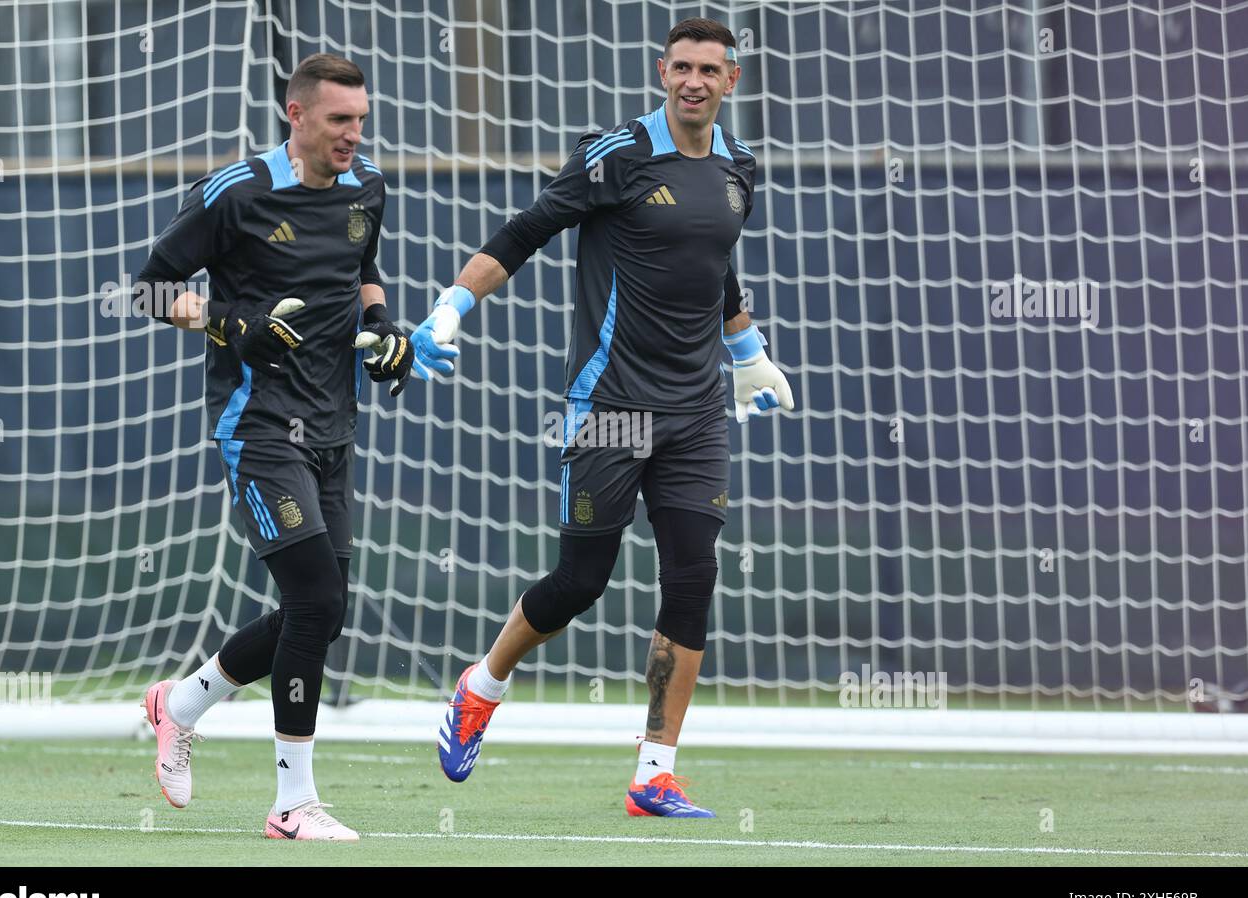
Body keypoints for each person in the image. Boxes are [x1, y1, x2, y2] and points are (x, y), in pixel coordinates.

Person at [417, 18, 795, 816]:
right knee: (581, 581)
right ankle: (482, 686)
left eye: (709, 70)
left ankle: (653, 772)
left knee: (693, 578)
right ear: (663, 72)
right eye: (681, 67)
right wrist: (453, 305)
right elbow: (526, 231)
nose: (693, 81)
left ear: (733, 81)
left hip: (697, 414)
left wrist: (749, 352)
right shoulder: (616, 154)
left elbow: (714, 267)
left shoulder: (740, 169)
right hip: (609, 408)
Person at [134, 53, 419, 841]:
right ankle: (293, 803)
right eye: (339, 121)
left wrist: (385, 328)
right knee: (318, 601)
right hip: (257, 426)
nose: (354, 135)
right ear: (295, 115)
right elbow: (149, 289)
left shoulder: (367, 187)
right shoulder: (237, 194)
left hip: (335, 424)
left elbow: (363, 271)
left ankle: (180, 704)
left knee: (317, 614)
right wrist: (231, 324)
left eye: (361, 120)